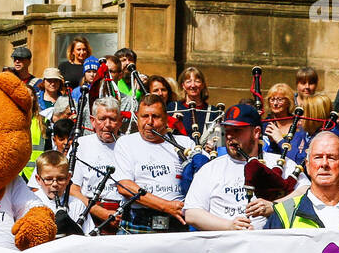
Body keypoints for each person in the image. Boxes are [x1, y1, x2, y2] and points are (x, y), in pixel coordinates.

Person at [183, 103, 297, 231]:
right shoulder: (210, 169)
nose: (230, 136)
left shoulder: (278, 162)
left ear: (256, 132)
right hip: (223, 247)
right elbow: (192, 214)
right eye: (227, 130)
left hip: (267, 246)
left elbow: (306, 192)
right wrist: (229, 226)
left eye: (237, 130)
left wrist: (275, 206)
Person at [114, 94, 190, 233]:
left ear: (166, 119)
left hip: (177, 221)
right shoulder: (126, 143)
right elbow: (125, 187)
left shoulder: (185, 144)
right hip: (138, 220)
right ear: (137, 118)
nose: (150, 122)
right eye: (144, 116)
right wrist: (166, 206)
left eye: (155, 116)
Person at [68, 97, 124, 233]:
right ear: (93, 121)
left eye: (112, 119)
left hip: (123, 215)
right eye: (102, 119)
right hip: (88, 213)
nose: (108, 124)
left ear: (120, 121)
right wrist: (100, 212)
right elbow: (73, 189)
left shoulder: (128, 145)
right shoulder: (81, 144)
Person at [33, 150, 93, 235]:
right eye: (49, 179)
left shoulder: (77, 205)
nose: (54, 184)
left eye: (60, 179)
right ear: (38, 179)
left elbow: (89, 236)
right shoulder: (31, 203)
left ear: (68, 178)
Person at [169, 66, 224, 148]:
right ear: (183, 85)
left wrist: (213, 144)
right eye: (188, 81)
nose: (193, 85)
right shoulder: (172, 108)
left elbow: (219, 142)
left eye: (197, 81)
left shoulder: (213, 112)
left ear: (203, 85)